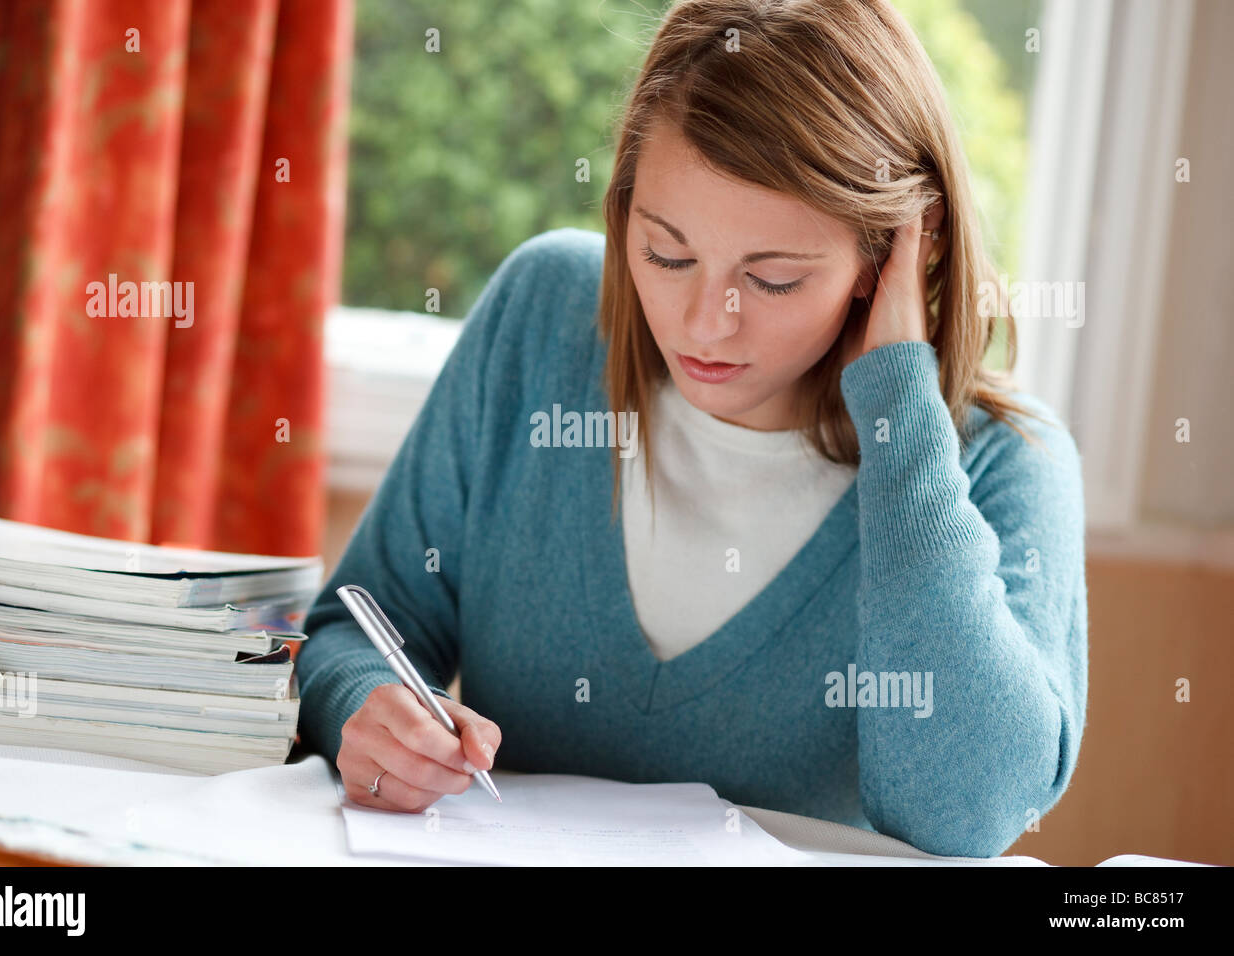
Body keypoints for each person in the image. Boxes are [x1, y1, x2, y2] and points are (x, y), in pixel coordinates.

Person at [296, 0, 1087, 858]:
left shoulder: (1006, 462)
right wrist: (363, 710)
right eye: (667, 255)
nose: (706, 323)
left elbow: (965, 816)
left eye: (775, 278)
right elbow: (353, 629)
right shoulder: (543, 321)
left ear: (900, 247)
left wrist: (900, 415)